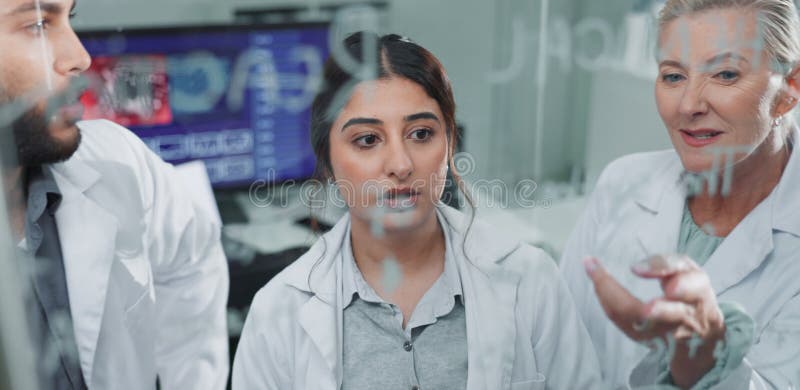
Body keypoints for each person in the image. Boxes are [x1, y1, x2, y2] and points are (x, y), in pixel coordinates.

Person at [232, 32, 602, 389]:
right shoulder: (278, 312)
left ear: (451, 142)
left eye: (421, 133)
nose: (401, 164)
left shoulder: (530, 281)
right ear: (327, 161)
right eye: (367, 140)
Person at [560, 0, 800, 388]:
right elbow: (560, 348)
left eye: (725, 74)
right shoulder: (623, 181)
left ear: (790, 88)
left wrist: (708, 365)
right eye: (673, 75)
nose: (688, 104)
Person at [0, 0, 229, 388]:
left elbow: (194, 257)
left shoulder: (114, 160)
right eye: (37, 25)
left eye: (69, 18)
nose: (80, 56)